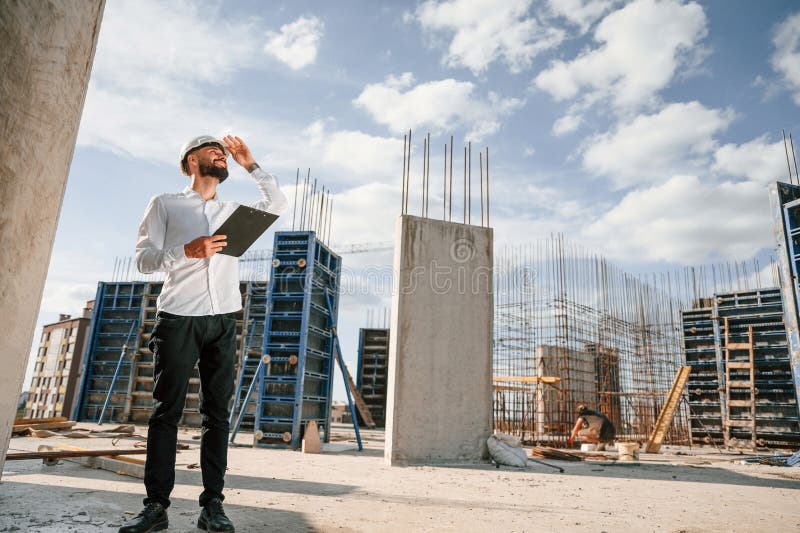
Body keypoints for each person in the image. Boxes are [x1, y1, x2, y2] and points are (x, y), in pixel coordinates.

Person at [120, 135, 287, 533]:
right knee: (166, 413)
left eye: (224, 152)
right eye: (213, 150)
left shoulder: (234, 210)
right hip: (178, 317)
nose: (222, 154)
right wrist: (186, 252)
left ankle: (212, 505)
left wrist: (251, 164)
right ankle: (156, 507)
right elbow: (143, 260)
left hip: (224, 319)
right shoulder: (165, 204)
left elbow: (277, 204)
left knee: (217, 415)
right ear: (191, 161)